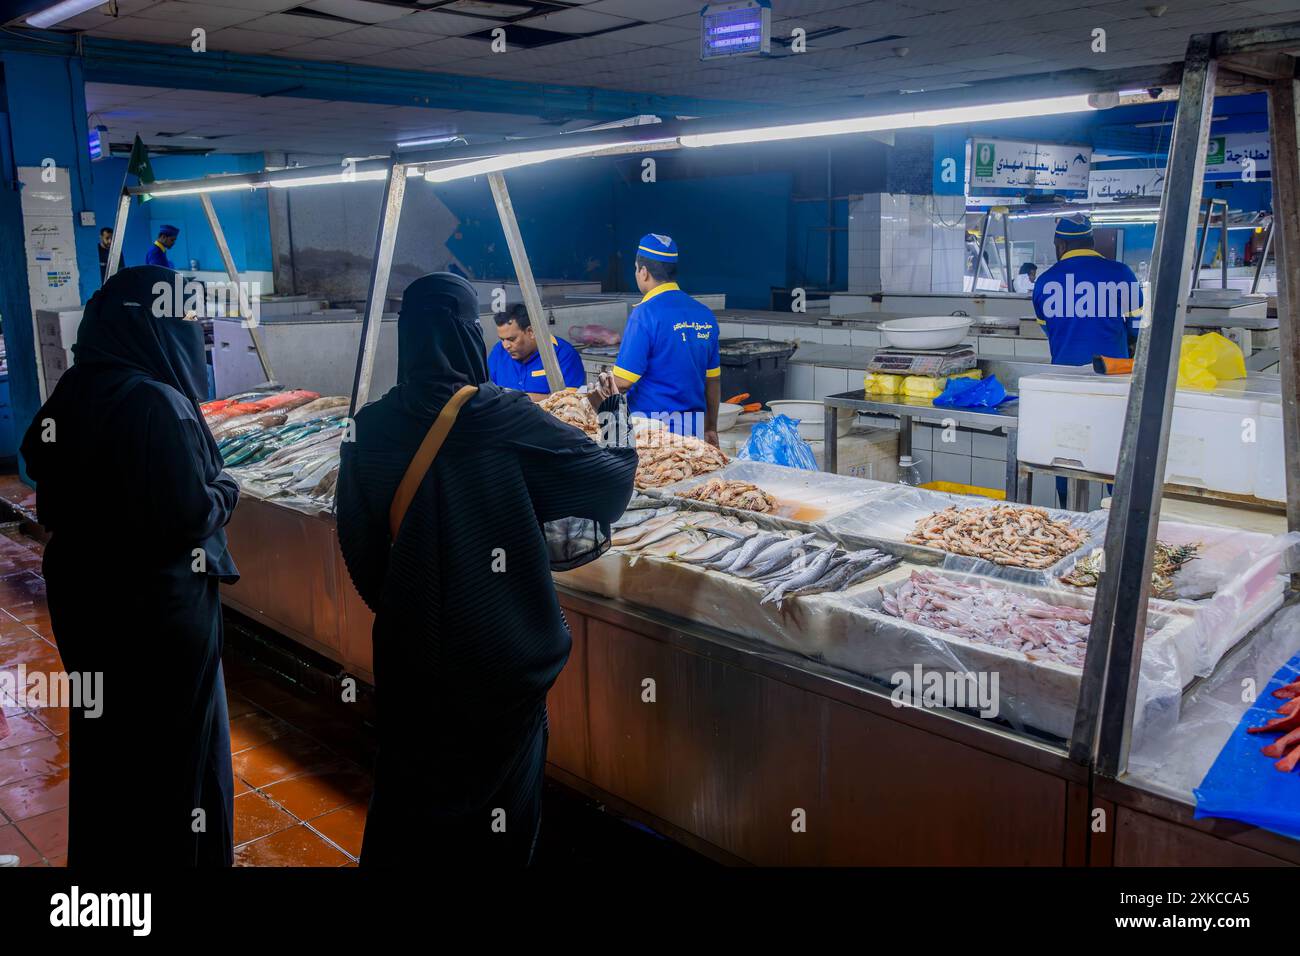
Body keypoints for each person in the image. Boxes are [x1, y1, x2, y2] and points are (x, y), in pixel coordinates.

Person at [335, 272, 637, 867]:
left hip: (411, 662)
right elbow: (611, 487)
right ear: (466, 334)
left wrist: (413, 609)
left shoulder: (369, 428)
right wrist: (617, 416)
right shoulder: (499, 417)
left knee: (410, 810)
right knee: (496, 827)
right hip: (499, 666)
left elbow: (358, 547)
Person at [21, 265, 240, 866]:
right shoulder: (156, 403)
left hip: (86, 601)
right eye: (186, 321)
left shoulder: (79, 387)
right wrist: (228, 488)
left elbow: (35, 457)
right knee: (177, 753)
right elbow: (192, 510)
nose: (194, 334)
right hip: (158, 611)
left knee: (110, 743)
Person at [1032, 214, 1142, 506]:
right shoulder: (1122, 273)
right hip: (1112, 380)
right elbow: (1140, 329)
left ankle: (1067, 508)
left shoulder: (1045, 281)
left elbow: (1049, 329)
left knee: (1065, 444)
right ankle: (1112, 510)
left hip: (1064, 381)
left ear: (1061, 244)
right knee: (1111, 445)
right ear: (1093, 242)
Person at [593, 233, 721, 444]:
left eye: (636, 269)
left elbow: (623, 382)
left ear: (643, 272)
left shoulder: (645, 314)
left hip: (652, 431)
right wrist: (710, 428)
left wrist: (592, 393)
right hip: (693, 429)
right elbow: (713, 380)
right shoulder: (705, 314)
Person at [488, 303, 586, 398]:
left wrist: (521, 399)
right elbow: (488, 393)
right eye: (502, 339)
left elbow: (570, 400)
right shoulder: (498, 352)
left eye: (512, 339)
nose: (506, 346)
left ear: (531, 332)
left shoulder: (563, 354)